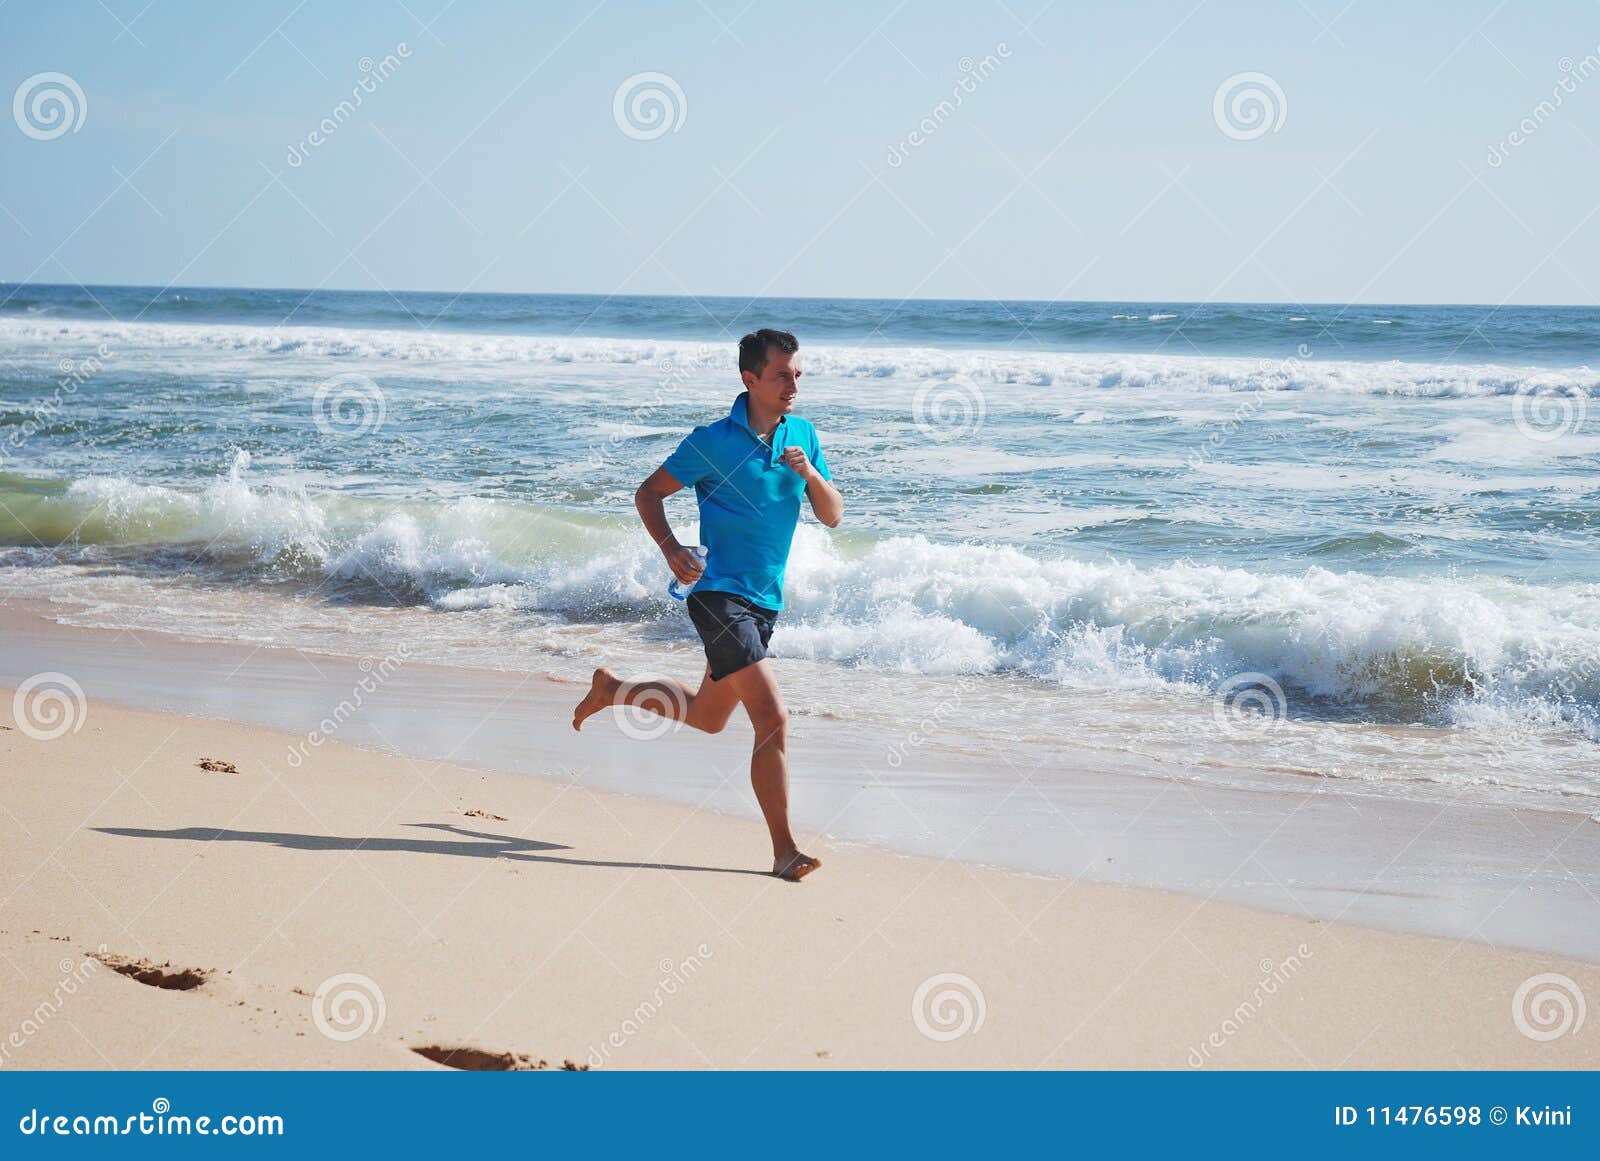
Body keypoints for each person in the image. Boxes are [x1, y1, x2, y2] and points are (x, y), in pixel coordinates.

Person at [572, 328, 842, 881]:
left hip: (765, 602)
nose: (793, 384)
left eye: (797, 374)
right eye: (781, 375)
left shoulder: (804, 435)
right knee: (771, 717)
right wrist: (671, 548)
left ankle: (612, 690)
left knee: (707, 716)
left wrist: (809, 472)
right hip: (718, 595)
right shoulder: (711, 442)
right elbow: (648, 493)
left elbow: (833, 514)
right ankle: (784, 850)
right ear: (750, 380)